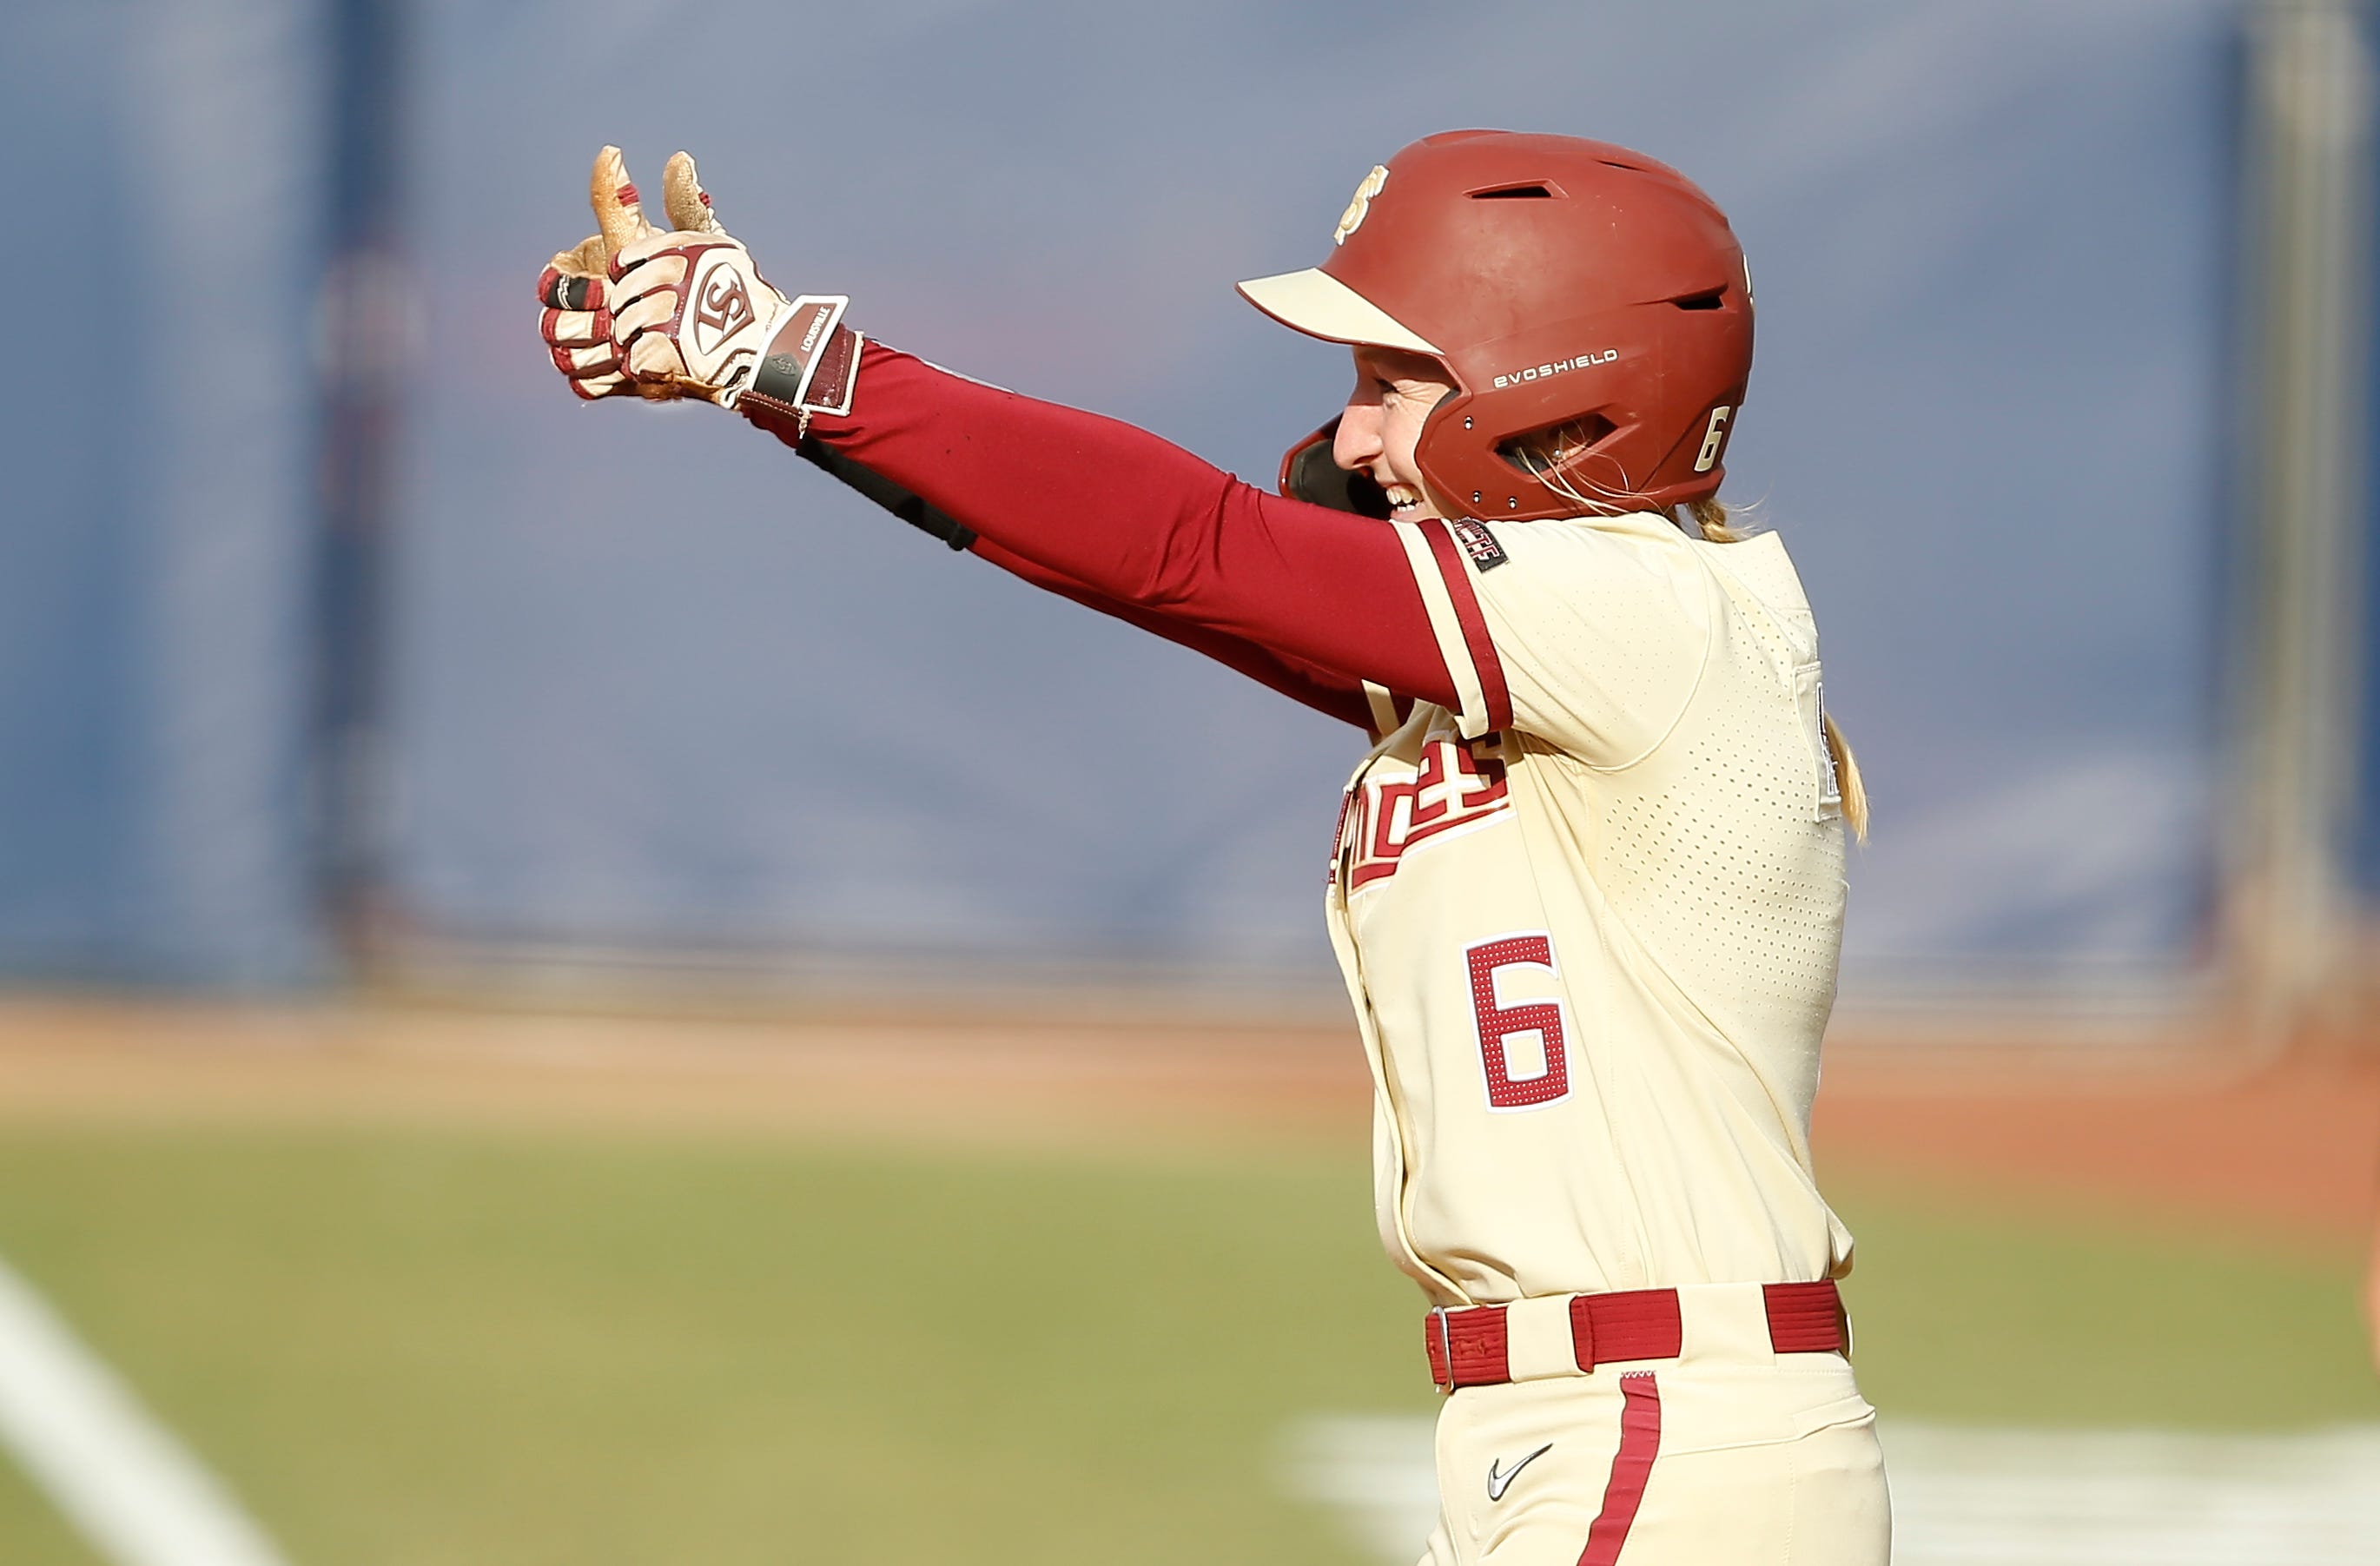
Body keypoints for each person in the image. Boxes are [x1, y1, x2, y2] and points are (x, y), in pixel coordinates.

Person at [539, 130, 1887, 1565]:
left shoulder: (1653, 619)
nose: (1357, 431)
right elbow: (1153, 574)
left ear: (1556, 387)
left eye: (1393, 381)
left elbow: (1193, 543)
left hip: (1668, 1444)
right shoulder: (1546, 654)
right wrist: (774, 400)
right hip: (1590, 1437)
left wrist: (801, 360)